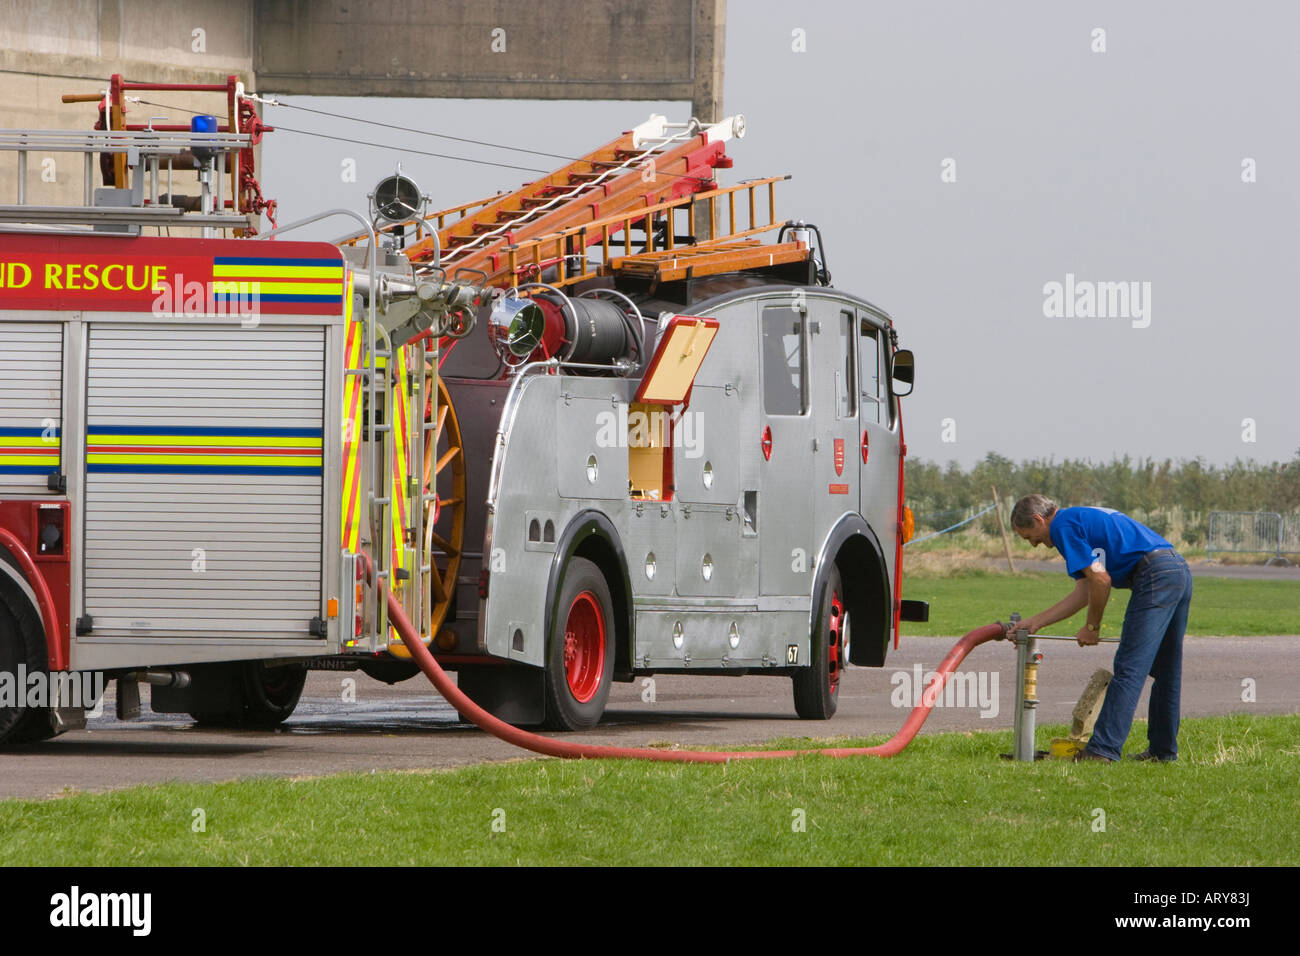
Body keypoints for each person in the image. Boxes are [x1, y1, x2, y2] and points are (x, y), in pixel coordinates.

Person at [1008, 494, 1193, 763]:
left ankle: (1102, 751)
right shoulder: (1075, 517)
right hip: (1176, 568)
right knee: (1166, 671)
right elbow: (1085, 589)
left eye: (1029, 536)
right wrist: (1037, 622)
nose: (1034, 544)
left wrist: (1092, 627)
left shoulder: (1062, 527)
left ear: (1038, 519)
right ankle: (1163, 752)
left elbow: (1100, 580)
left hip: (1154, 575)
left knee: (1130, 668)